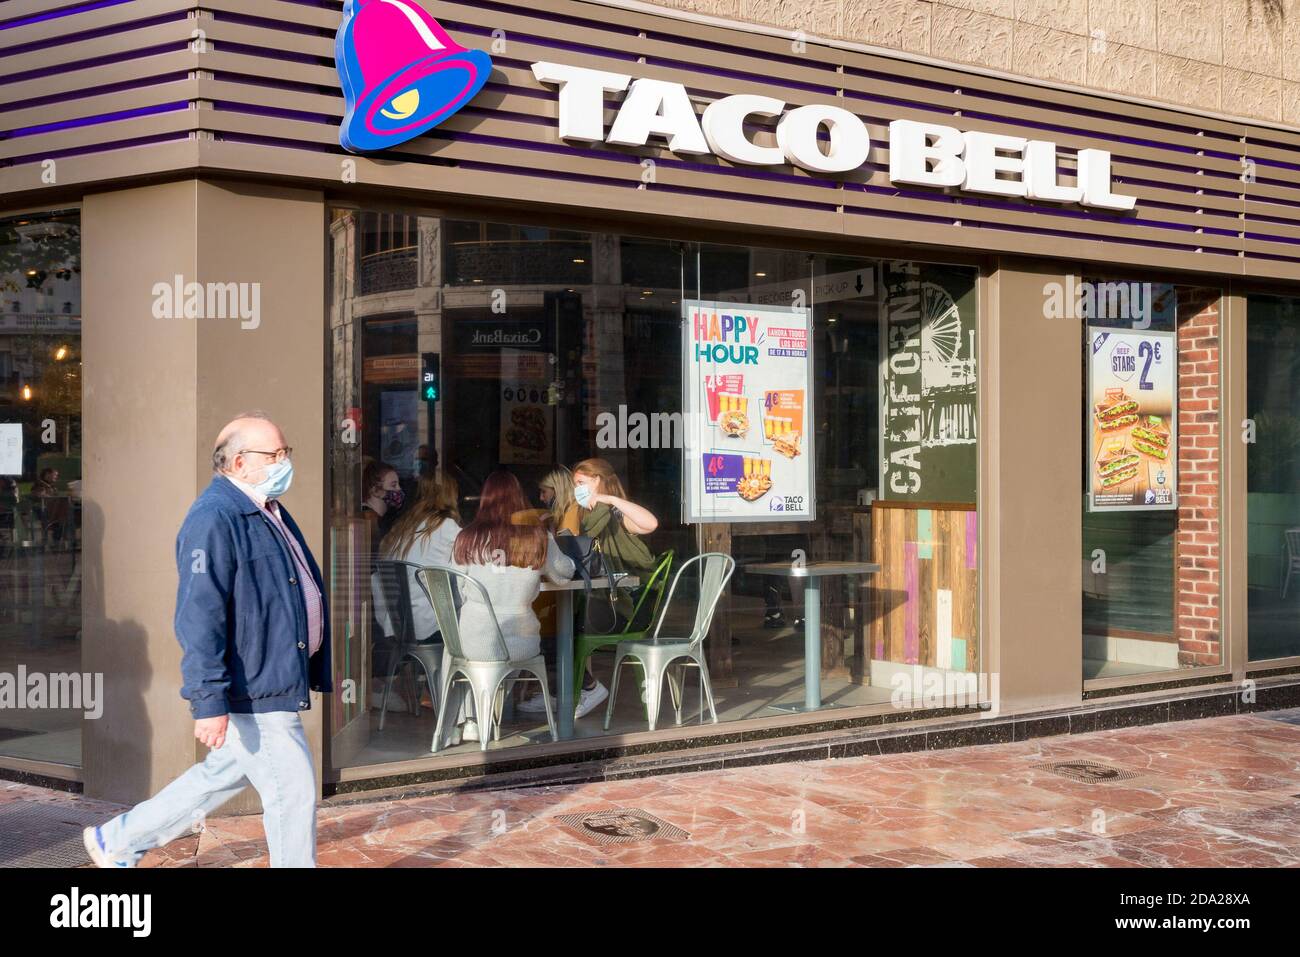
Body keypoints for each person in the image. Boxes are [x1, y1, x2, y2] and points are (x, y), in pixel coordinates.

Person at [84, 412, 330, 868]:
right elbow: (199, 615)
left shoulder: (265, 509)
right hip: (254, 687)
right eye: (274, 455)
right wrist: (208, 701)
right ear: (238, 463)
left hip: (270, 675)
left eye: (285, 453)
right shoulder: (215, 517)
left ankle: (118, 839)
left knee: (220, 775)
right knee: (293, 794)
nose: (284, 462)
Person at [520, 457, 659, 718]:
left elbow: (650, 523)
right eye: (575, 484)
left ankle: (585, 689)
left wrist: (611, 500)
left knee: (562, 631)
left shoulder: (617, 516)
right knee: (552, 629)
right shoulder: (589, 516)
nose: (577, 489)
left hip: (628, 608)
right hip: (605, 600)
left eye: (581, 483)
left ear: (598, 481)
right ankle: (565, 693)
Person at [448, 470, 574, 744]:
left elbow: (459, 588)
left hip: (473, 640)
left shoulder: (467, 537)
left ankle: (472, 719)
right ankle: (487, 714)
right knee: (506, 656)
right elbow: (565, 573)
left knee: (470, 652)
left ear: (484, 500)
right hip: (520, 641)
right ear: (520, 499)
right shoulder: (536, 536)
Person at [372, 472, 461, 711]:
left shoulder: (401, 528)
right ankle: (463, 709)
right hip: (431, 626)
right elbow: (465, 573)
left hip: (398, 625)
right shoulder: (447, 527)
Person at [360, 460, 403, 545]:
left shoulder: (387, 518)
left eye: (398, 484)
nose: (399, 489)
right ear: (375, 490)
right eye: (393, 485)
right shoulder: (368, 519)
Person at [537, 465, 580, 535]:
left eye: (544, 492)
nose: (541, 498)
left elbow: (565, 544)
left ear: (557, 490)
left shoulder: (571, 512)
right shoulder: (568, 510)